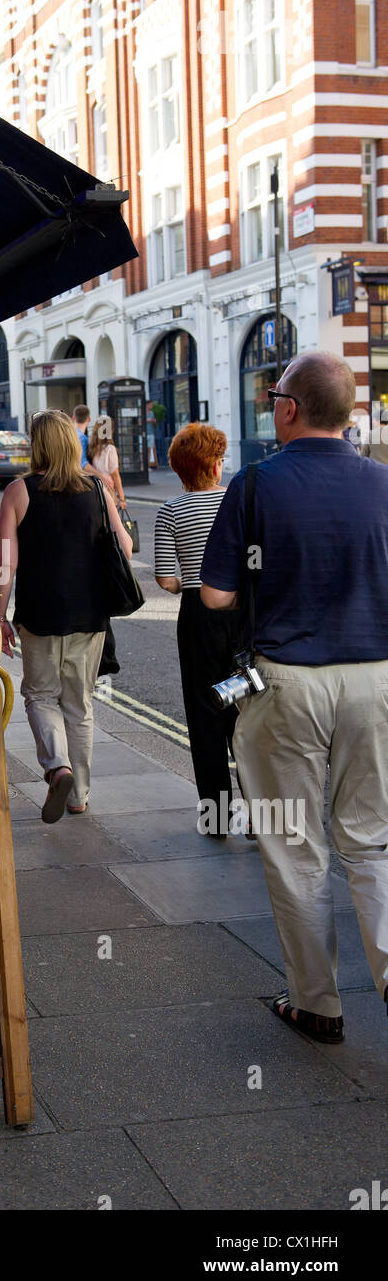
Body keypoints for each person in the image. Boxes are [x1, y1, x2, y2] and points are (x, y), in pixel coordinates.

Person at [201, 351, 388, 1043]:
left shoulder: (254, 486)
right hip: (376, 678)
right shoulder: (384, 484)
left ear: (288, 407)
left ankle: (317, 1005)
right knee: (372, 843)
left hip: (285, 683)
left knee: (294, 846)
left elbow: (218, 595)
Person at [0, 409, 132, 822]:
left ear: (35, 445)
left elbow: (7, 563)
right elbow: (125, 547)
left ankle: (58, 768)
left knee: (39, 695)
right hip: (90, 615)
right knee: (80, 703)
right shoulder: (96, 488)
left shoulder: (19, 492)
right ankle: (80, 796)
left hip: (39, 614)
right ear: (72, 444)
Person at [155, 423, 241, 835]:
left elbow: (165, 580)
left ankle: (217, 818)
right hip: (241, 614)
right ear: (214, 465)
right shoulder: (238, 503)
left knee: (205, 715)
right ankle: (262, 815)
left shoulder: (170, 511)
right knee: (251, 713)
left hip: (197, 614)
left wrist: (187, 578)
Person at [87, 418, 127, 514]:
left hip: (94, 490)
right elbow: (115, 474)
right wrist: (122, 498)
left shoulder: (92, 448)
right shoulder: (110, 449)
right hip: (108, 491)